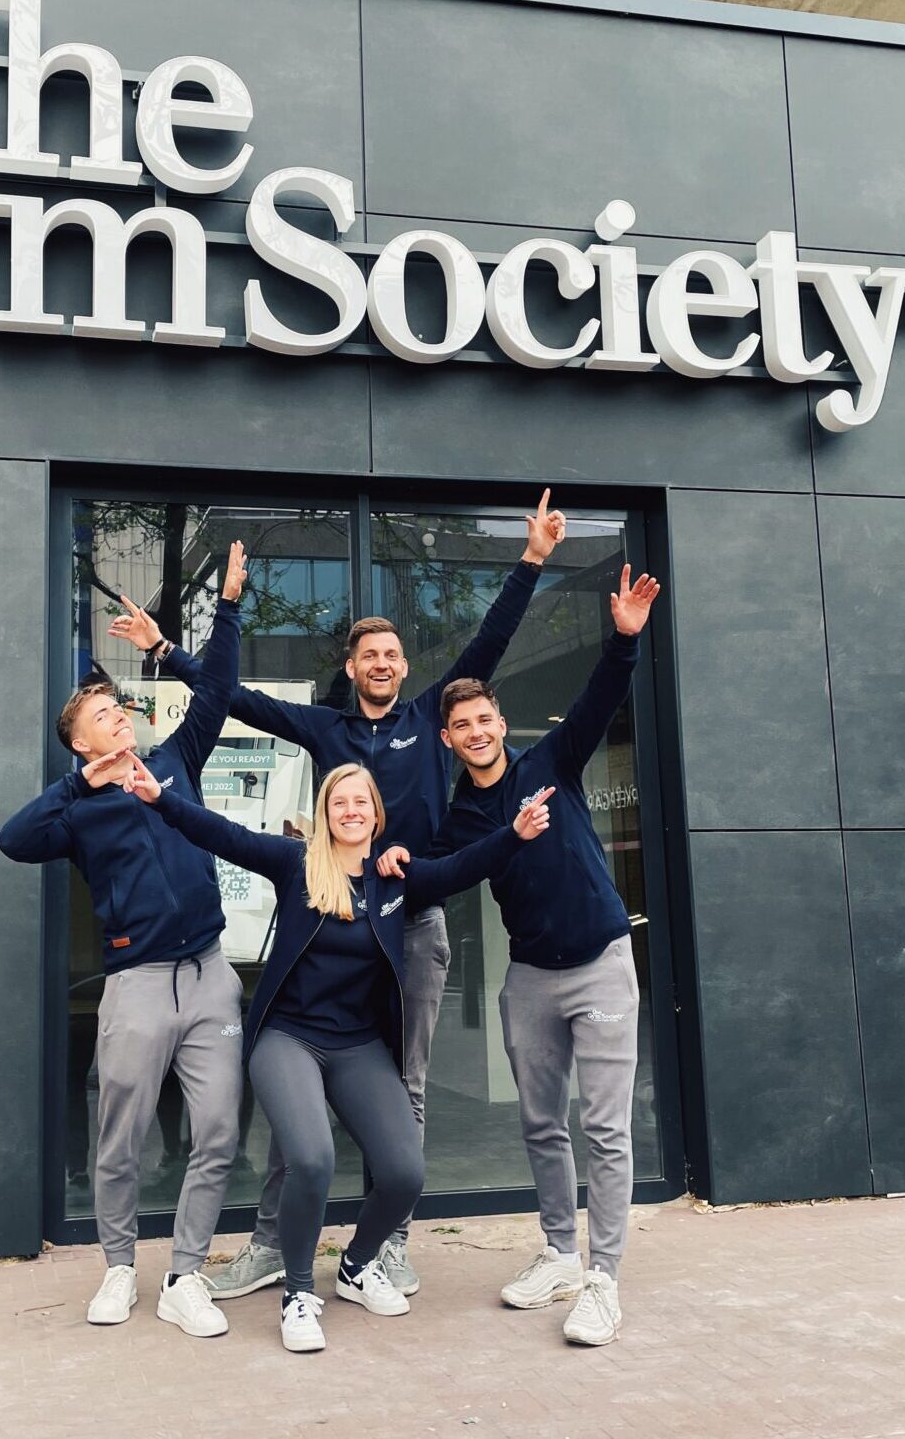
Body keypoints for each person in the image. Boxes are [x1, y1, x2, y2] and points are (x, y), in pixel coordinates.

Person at [108, 490, 567, 1298]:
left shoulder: (430, 717)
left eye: (392, 652)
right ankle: (269, 1245)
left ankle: (382, 1248)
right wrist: (167, 651)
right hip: (325, 918)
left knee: (407, 1084)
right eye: (368, 656)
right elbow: (237, 701)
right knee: (300, 1091)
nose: (383, 663)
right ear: (351, 670)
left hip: (411, 926)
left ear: (404, 666)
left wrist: (529, 561)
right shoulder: (326, 730)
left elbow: (490, 641)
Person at [120, 756, 555, 1353]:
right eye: (338, 803)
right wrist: (160, 799)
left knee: (404, 1173)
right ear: (325, 815)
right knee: (314, 1159)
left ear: (376, 813)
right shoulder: (296, 864)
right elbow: (225, 835)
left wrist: (515, 834)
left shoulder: (394, 879)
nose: (350, 812)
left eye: (360, 802)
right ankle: (299, 1291)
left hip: (358, 1045)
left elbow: (461, 867)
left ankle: (355, 1265)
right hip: (288, 1037)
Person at [378, 562, 661, 1347]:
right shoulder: (465, 813)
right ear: (448, 737)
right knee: (542, 1125)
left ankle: (602, 1280)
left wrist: (624, 640)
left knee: (604, 1130)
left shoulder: (551, 763)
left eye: (485, 720)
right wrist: (399, 862)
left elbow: (601, 698)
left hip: (601, 960)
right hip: (530, 978)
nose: (475, 731)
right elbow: (438, 871)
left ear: (500, 723)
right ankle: (560, 1254)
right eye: (460, 724)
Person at [0, 541, 249, 1340]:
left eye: (119, 710)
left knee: (216, 1130)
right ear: (78, 740)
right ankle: (115, 1269)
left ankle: (184, 1274)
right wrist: (79, 785)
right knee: (123, 1133)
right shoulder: (73, 805)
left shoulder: (173, 759)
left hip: (210, 977)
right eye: (103, 715)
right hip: (136, 982)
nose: (120, 718)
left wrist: (213, 620)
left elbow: (215, 693)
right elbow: (12, 841)